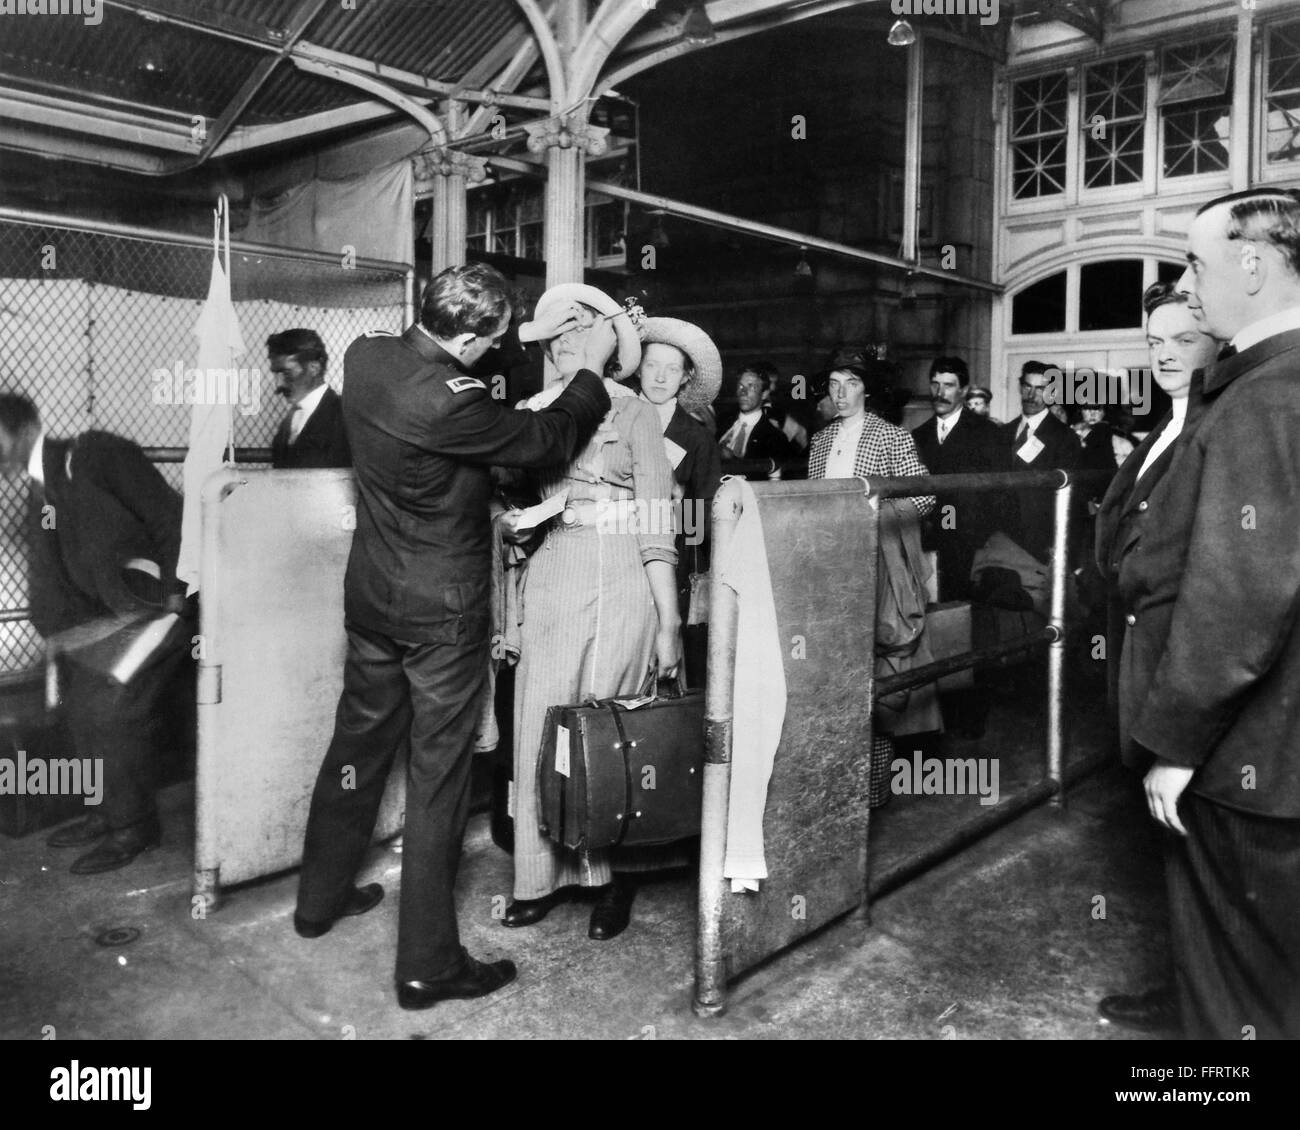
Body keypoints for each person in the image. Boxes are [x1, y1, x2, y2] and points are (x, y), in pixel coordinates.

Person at [293, 264, 612, 1012]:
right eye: (490, 343)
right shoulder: (448, 403)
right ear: (465, 336)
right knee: (437, 780)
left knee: (357, 746)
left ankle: (319, 901)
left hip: (373, 598)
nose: (495, 354)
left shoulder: (368, 355)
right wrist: (589, 373)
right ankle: (428, 968)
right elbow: (545, 438)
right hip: (441, 611)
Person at [1114, 188, 1300, 1040]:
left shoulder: (1264, 396)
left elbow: (1243, 597)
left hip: (1246, 761)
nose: (1189, 286)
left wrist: (1176, 743)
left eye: (1195, 262)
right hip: (1273, 750)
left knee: (1235, 1006)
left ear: (1253, 264)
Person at [500, 283, 683, 943]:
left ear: (607, 344)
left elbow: (658, 522)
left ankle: (613, 879)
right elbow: (501, 501)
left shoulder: (634, 415)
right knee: (542, 723)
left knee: (611, 732)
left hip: (623, 584)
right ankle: (537, 878)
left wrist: (668, 624)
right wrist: (513, 524)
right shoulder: (528, 413)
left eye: (580, 328)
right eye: (556, 329)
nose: (565, 338)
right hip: (552, 581)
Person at [1092, 281, 1220, 1033]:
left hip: (1186, 665)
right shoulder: (1161, 429)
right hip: (1146, 657)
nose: (1166, 356)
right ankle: (1192, 992)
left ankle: (1204, 1007)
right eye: (1154, 344)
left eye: (1183, 341)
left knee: (1200, 845)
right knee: (1179, 846)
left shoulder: (1216, 424)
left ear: (1216, 340)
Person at [0, 393, 193, 874]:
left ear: (22, 431)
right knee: (79, 707)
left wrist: (173, 595)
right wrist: (58, 637)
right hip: (116, 618)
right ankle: (104, 812)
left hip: (161, 608)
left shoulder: (95, 455)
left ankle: (134, 827)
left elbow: (170, 517)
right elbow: (56, 572)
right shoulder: (41, 489)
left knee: (108, 706)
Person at [808, 354, 939, 807]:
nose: (839, 393)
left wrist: (876, 511)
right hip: (830, 568)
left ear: (867, 389)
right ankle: (838, 782)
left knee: (875, 676)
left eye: (849, 383)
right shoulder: (820, 441)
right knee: (834, 674)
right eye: (832, 383)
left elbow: (924, 499)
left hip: (875, 568)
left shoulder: (890, 435)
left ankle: (874, 788)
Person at [626, 316, 724, 687]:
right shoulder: (616, 419)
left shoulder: (696, 439)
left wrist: (677, 502)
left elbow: (701, 529)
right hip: (620, 558)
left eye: (672, 369)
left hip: (672, 566)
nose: (660, 377)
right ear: (638, 370)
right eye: (651, 365)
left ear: (686, 377)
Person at [911, 356, 1004, 601]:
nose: (939, 393)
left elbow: (998, 495)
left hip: (972, 549)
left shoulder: (988, 434)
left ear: (963, 390)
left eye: (948, 385)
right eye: (934, 384)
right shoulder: (917, 436)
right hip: (928, 546)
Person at [1002, 359, 1081, 562]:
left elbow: (1072, 500)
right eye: (1028, 386)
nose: (1031, 395)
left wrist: (1062, 545)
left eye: (1040, 389)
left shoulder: (1064, 437)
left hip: (1043, 544)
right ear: (1020, 387)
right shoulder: (1003, 433)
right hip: (1005, 541)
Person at [267, 329, 350, 469]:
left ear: (314, 368)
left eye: (286, 373)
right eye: (276, 374)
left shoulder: (345, 418)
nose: (278, 384)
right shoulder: (289, 421)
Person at [718, 364, 794, 475]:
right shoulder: (721, 422)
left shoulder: (775, 437)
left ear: (764, 394)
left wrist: (732, 460)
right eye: (740, 386)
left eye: (752, 387)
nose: (743, 392)